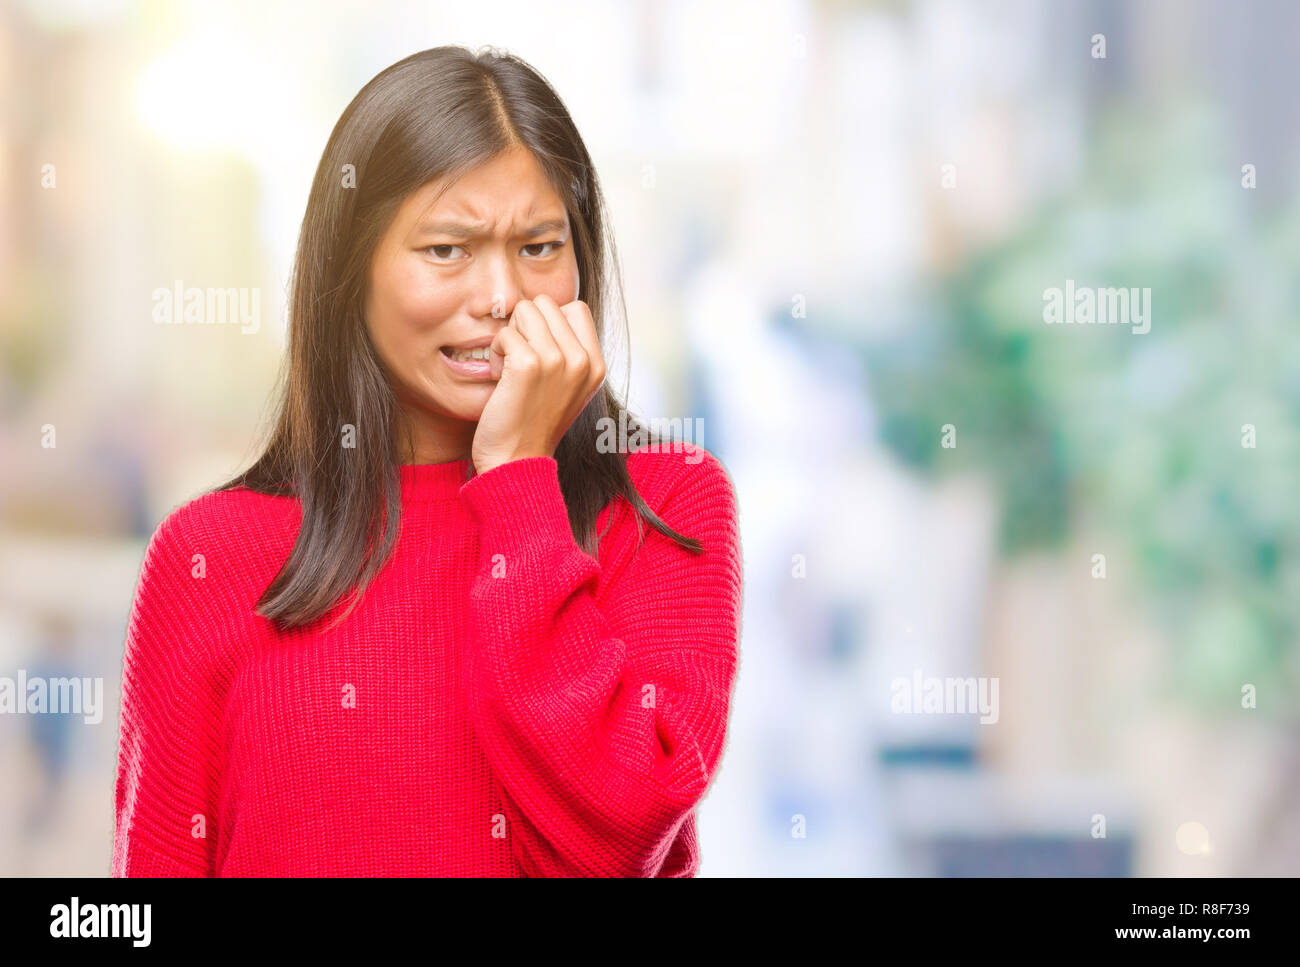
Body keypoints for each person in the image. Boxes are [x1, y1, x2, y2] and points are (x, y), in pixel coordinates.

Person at [111, 45, 743, 877]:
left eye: (541, 245)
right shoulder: (211, 554)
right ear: (353, 272)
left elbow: (620, 839)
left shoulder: (668, 507)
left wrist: (519, 479)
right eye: (447, 250)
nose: (502, 296)